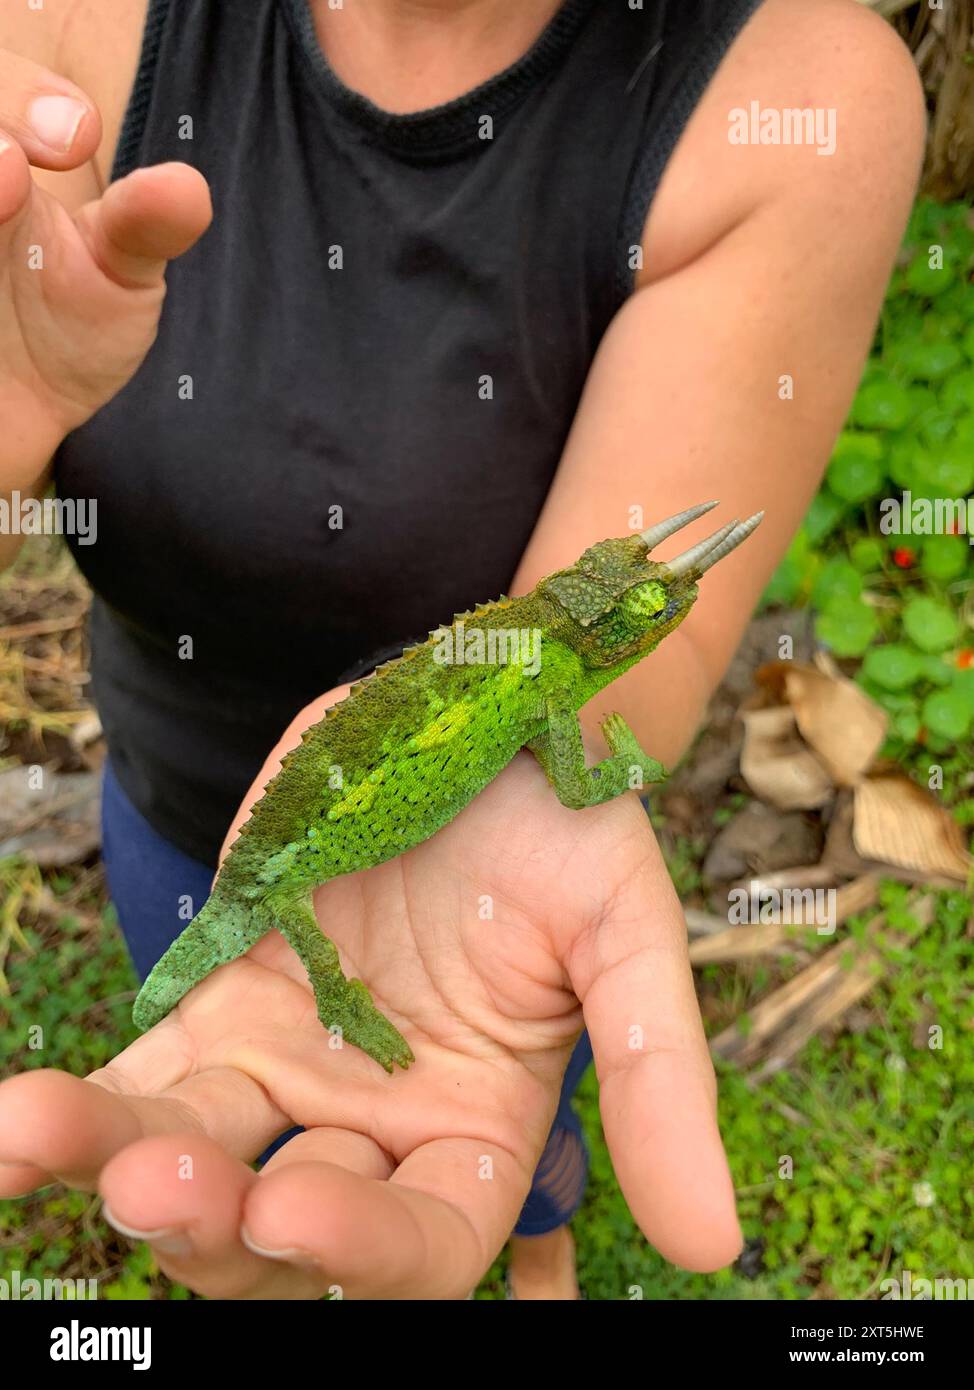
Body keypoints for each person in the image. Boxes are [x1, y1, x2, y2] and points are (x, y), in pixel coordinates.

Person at [0, 0, 923, 1300]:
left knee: (505, 1102)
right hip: (189, 815)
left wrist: (579, 788)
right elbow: (575, 754)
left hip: (457, 904)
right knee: (243, 1057)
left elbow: (602, 715)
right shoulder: (71, 34)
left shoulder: (788, 87)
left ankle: (536, 1238)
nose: (648, 607)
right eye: (634, 600)